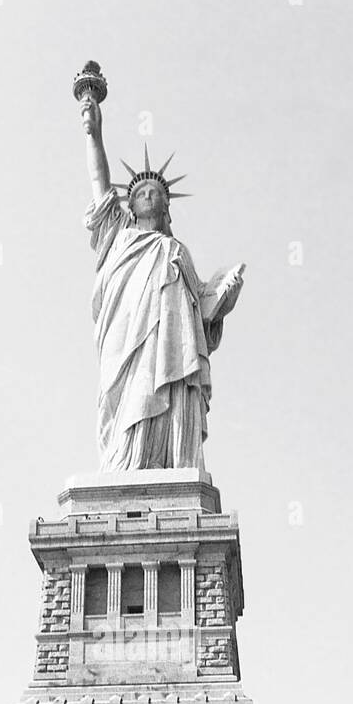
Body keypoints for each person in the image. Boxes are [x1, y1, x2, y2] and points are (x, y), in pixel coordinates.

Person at [81, 92, 244, 472]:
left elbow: (201, 314)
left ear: (166, 207)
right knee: (127, 401)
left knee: (171, 389)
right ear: (131, 205)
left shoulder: (176, 251)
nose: (149, 196)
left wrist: (223, 298)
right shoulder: (119, 235)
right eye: (140, 193)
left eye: (155, 193)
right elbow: (99, 183)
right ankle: (126, 464)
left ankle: (171, 463)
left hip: (170, 351)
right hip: (126, 344)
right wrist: (93, 133)